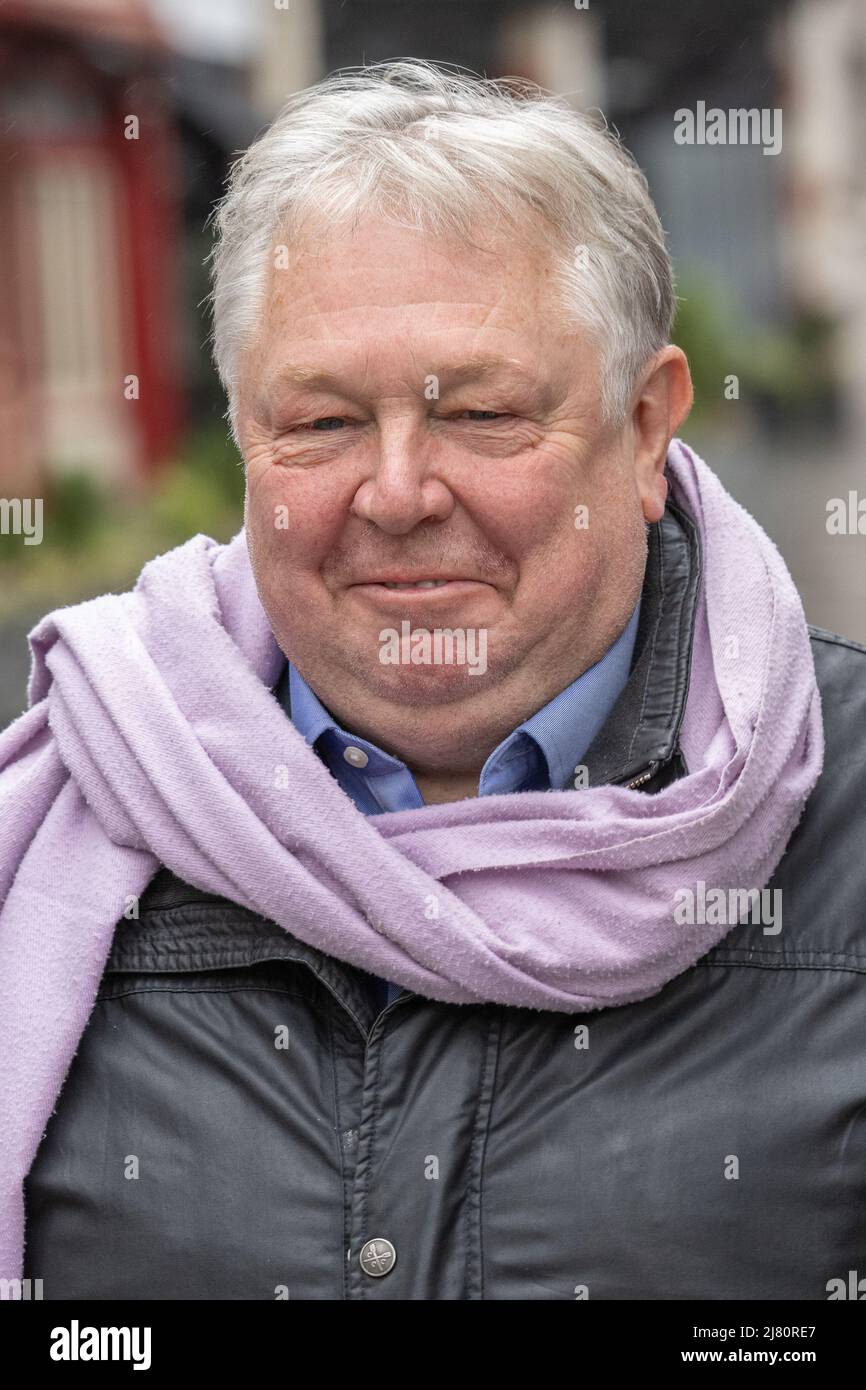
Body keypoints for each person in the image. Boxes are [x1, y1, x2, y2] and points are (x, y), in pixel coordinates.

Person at [2, 60, 864, 1302]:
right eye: (321, 422)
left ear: (641, 428)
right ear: (242, 431)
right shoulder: (58, 812)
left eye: (477, 414)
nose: (398, 495)